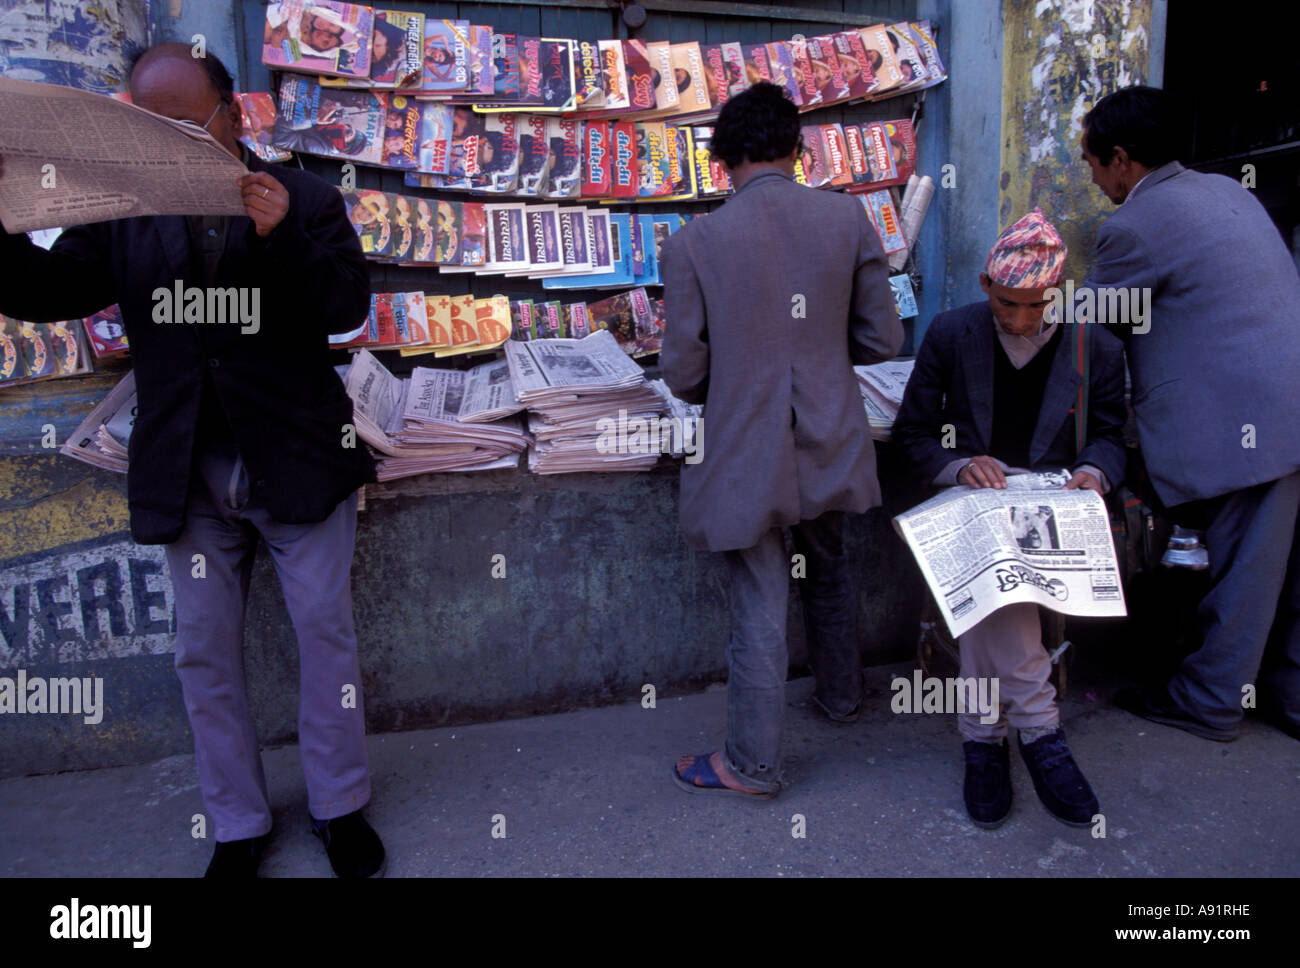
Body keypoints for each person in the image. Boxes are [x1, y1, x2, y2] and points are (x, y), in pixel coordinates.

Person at [0, 44, 385, 876]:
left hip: (299, 464)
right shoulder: (124, 211)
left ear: (234, 117)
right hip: (189, 465)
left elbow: (346, 305)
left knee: (325, 639)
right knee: (202, 652)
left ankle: (340, 807)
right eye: (151, 126)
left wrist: (282, 239)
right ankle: (238, 823)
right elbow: (49, 294)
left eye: (186, 124)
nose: (170, 142)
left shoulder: (308, 198)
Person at [661, 81, 903, 799]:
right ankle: (840, 697)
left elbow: (682, 372)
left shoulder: (695, 243)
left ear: (722, 160)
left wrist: (736, 378)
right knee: (828, 567)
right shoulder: (847, 218)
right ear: (798, 150)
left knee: (761, 600)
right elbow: (882, 338)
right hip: (830, 439)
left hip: (745, 452)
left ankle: (752, 764)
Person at [1077, 85, 1300, 743]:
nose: (1089, 177)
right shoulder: (1232, 192)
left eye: (1090, 162)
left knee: (1243, 573)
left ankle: (1207, 701)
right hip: (1281, 407)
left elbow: (1089, 329)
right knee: (1283, 574)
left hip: (1241, 425)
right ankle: (1288, 695)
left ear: (1121, 159)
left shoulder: (1133, 227)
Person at [892, 209, 1127, 827]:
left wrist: (1093, 474)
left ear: (1057, 294)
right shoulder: (952, 334)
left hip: (1055, 501)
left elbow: (1111, 435)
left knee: (998, 590)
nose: (1023, 320)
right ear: (984, 286)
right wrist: (960, 464)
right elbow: (914, 434)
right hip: (975, 498)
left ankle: (983, 737)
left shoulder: (1092, 345)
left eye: (1037, 306)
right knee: (1000, 576)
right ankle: (1040, 730)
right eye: (1008, 306)